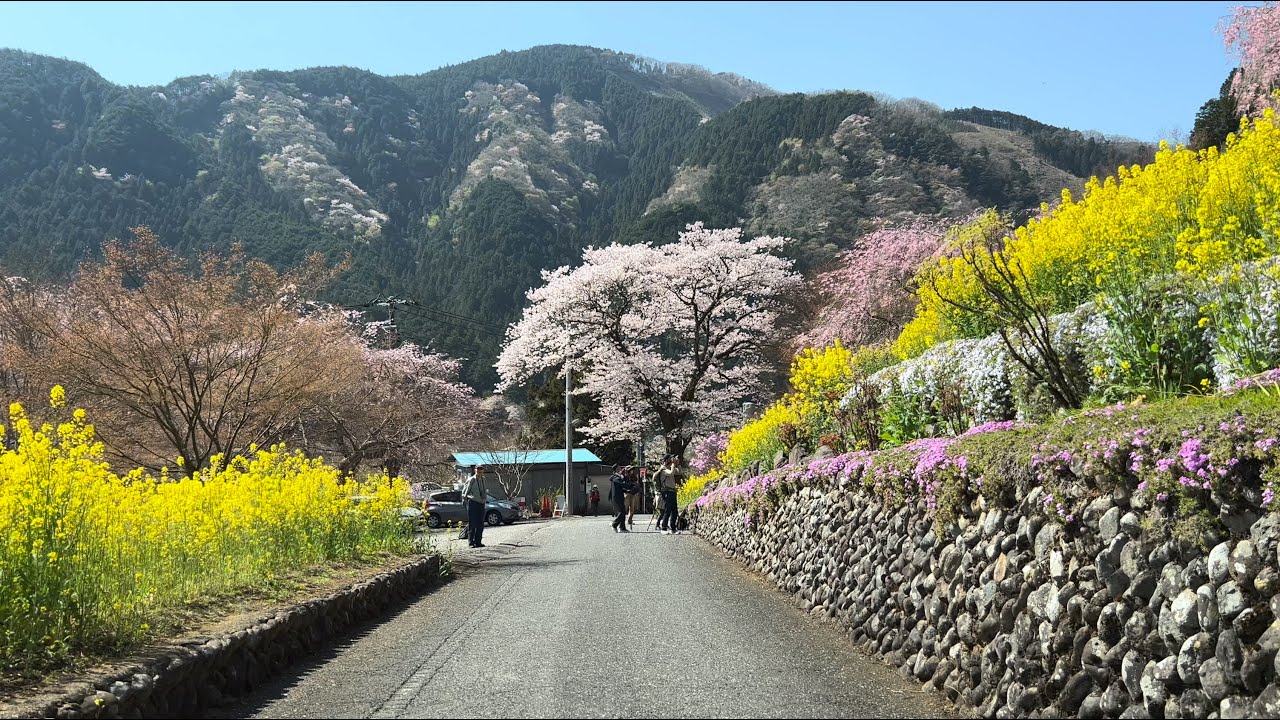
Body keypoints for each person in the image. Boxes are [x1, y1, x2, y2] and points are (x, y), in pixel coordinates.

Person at [461, 464, 489, 548]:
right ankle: (471, 542)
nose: (479, 470)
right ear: (475, 470)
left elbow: (484, 491)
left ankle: (478, 542)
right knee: (472, 523)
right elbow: (464, 492)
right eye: (478, 469)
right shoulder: (471, 480)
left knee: (480, 523)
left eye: (481, 469)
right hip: (472, 503)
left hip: (481, 503)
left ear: (483, 470)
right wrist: (465, 502)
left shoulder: (484, 479)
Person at [655, 456, 684, 534]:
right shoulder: (663, 470)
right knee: (667, 510)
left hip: (672, 491)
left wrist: (678, 464)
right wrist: (673, 465)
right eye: (670, 459)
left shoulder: (670, 468)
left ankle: (673, 528)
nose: (672, 460)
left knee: (674, 510)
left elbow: (679, 472)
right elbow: (671, 473)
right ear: (666, 460)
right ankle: (663, 528)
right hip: (666, 492)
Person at [607, 464, 639, 533]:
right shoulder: (615, 477)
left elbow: (621, 488)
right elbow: (623, 484)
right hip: (617, 497)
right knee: (621, 512)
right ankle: (614, 524)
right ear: (616, 469)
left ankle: (622, 528)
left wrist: (628, 490)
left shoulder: (618, 477)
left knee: (622, 512)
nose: (620, 469)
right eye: (619, 468)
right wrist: (631, 486)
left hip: (620, 496)